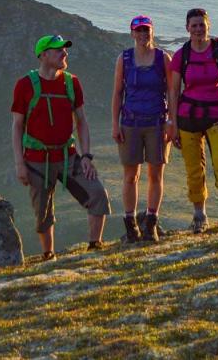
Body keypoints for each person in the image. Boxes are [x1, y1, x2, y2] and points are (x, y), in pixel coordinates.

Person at [11, 34, 111, 260]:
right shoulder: (25, 85)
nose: (64, 53)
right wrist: (19, 163)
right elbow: (17, 126)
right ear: (43, 55)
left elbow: (82, 121)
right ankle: (49, 256)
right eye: (58, 50)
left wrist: (86, 156)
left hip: (68, 155)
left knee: (97, 194)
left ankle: (95, 247)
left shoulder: (71, 82)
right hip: (37, 159)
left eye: (65, 49)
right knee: (42, 212)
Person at [164, 8, 218, 231]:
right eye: (194, 25)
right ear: (187, 28)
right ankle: (199, 216)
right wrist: (171, 124)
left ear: (208, 26)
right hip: (188, 118)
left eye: (202, 25)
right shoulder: (181, 55)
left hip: (217, 118)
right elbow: (172, 92)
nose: (198, 29)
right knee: (194, 170)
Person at [110, 15, 171, 243]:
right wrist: (115, 124)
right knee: (130, 176)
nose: (143, 35)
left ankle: (151, 225)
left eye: (147, 30)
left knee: (156, 174)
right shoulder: (124, 59)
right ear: (132, 33)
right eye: (139, 30)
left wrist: (171, 122)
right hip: (131, 122)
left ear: (152, 32)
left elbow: (172, 92)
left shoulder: (163, 58)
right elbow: (117, 93)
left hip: (157, 122)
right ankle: (131, 225)